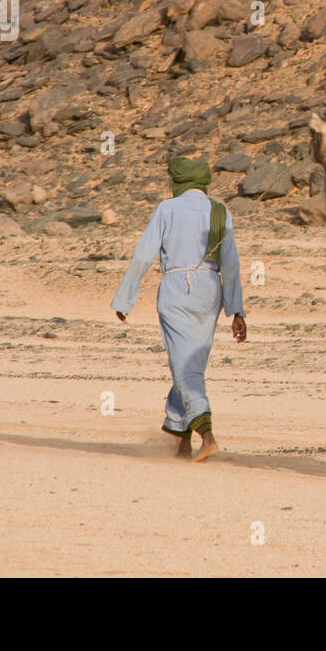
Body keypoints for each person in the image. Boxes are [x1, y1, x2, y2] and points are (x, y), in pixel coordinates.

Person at [111, 156, 246, 461]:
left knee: (185, 366)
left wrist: (125, 299)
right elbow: (231, 264)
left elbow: (143, 256)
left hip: (176, 289)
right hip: (210, 290)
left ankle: (207, 436)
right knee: (188, 363)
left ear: (179, 182)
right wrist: (236, 310)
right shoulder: (220, 210)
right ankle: (181, 442)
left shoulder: (167, 209)